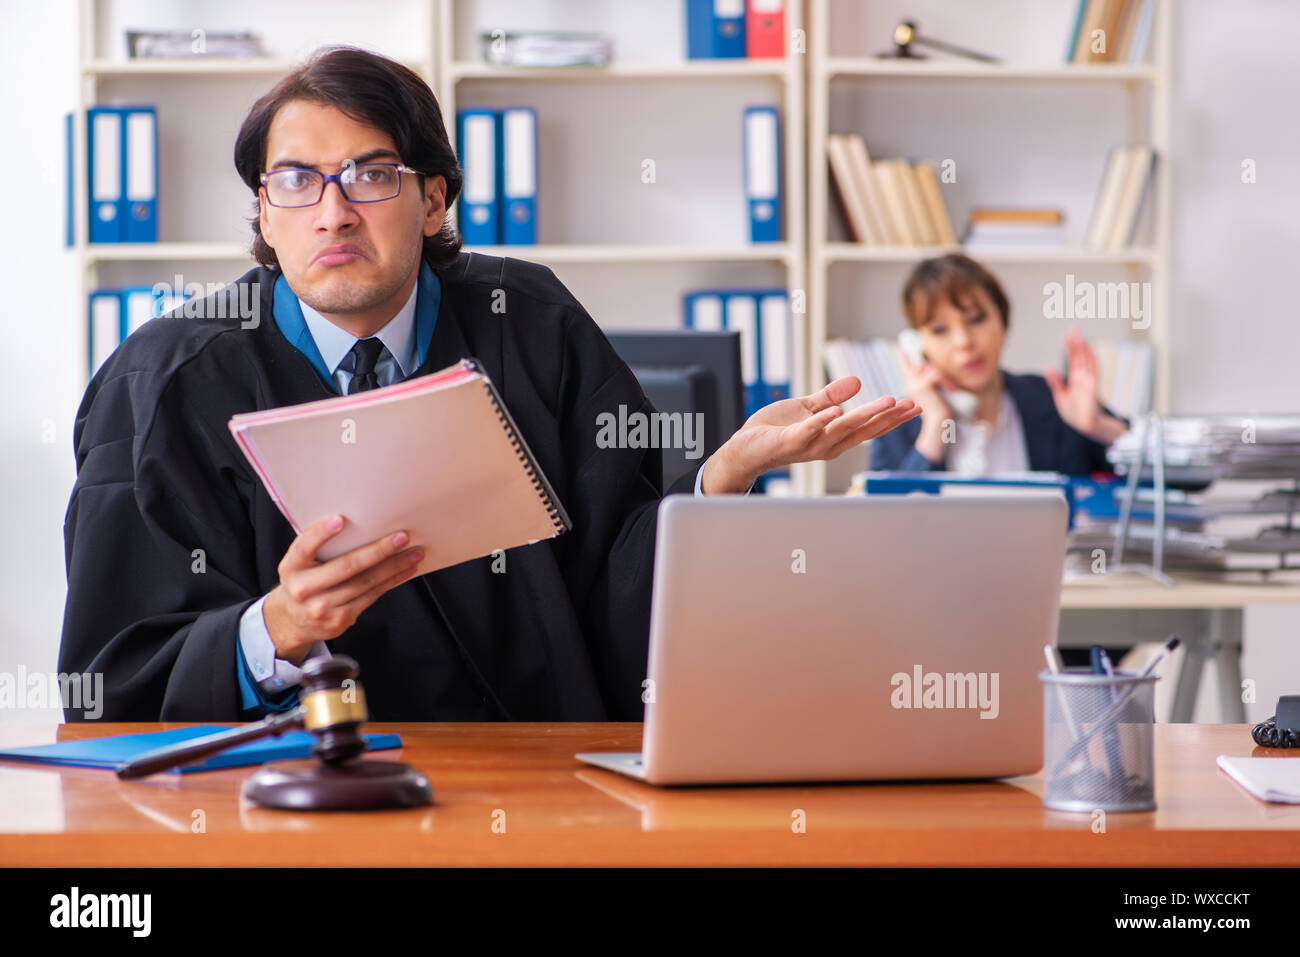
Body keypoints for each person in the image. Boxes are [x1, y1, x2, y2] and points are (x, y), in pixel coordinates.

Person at [58, 47, 919, 723]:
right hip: (280, 805)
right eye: (295, 180)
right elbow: (111, 679)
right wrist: (274, 631)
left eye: (371, 173)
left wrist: (722, 476)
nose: (333, 211)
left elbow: (617, 579)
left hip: (536, 785)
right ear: (263, 212)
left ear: (432, 201)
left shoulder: (532, 323)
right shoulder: (160, 381)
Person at [870, 253, 1129, 476]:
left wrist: (1099, 427)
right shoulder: (895, 425)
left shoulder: (1056, 402)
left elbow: (1158, 488)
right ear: (918, 344)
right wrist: (936, 425)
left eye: (976, 319)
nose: (963, 342)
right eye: (939, 330)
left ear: (1002, 322)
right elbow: (884, 524)